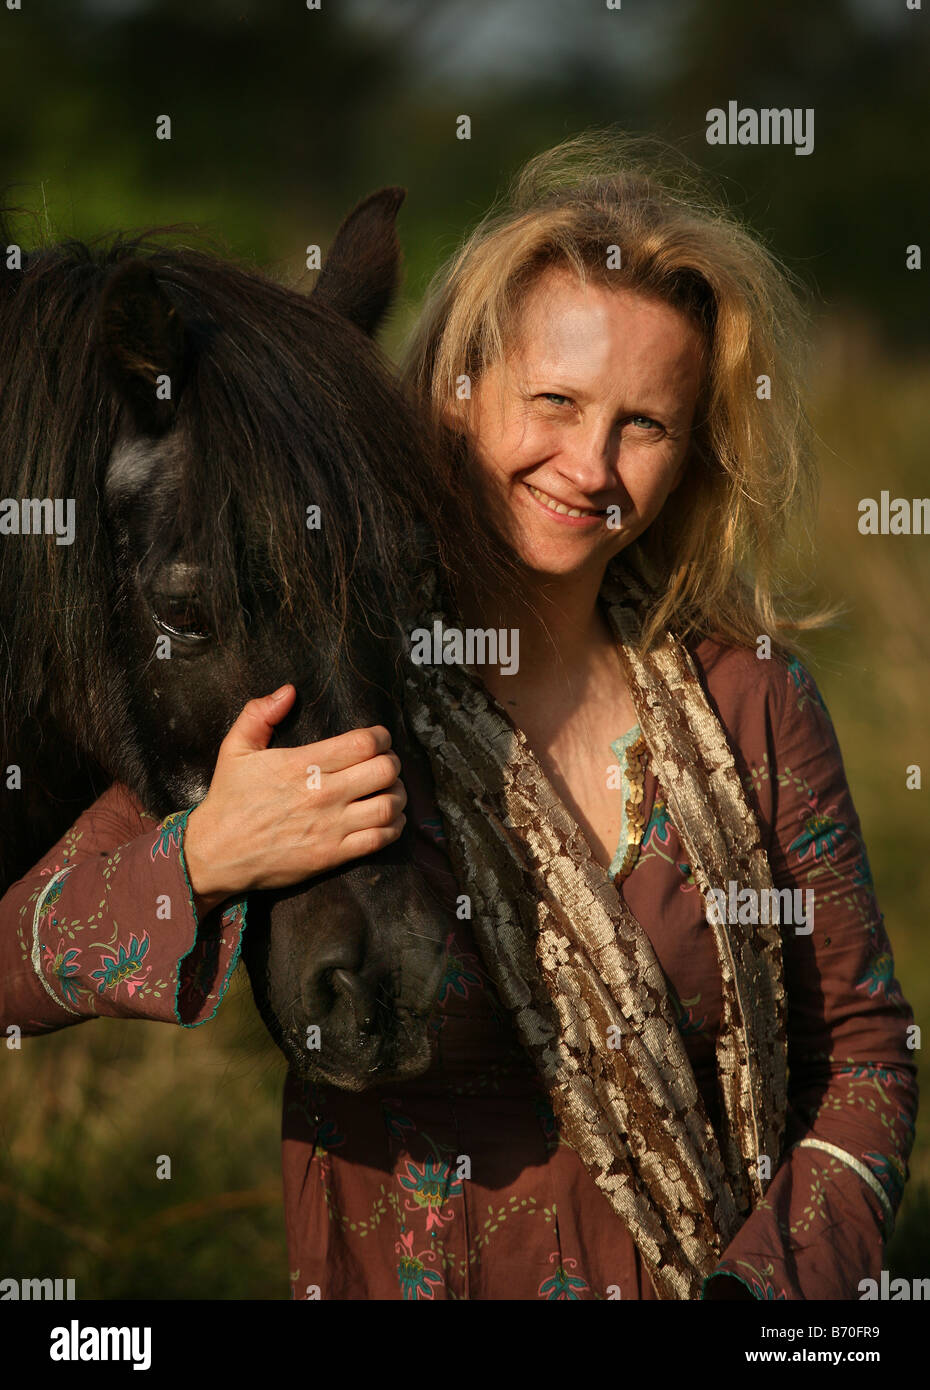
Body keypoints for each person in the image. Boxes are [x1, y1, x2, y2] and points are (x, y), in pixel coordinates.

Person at [0, 134, 917, 1301]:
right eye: (555, 401)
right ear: (462, 386)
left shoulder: (753, 701)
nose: (589, 465)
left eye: (646, 424)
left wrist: (768, 1296)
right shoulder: (333, 672)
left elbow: (866, 1055)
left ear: (694, 454)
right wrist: (202, 856)